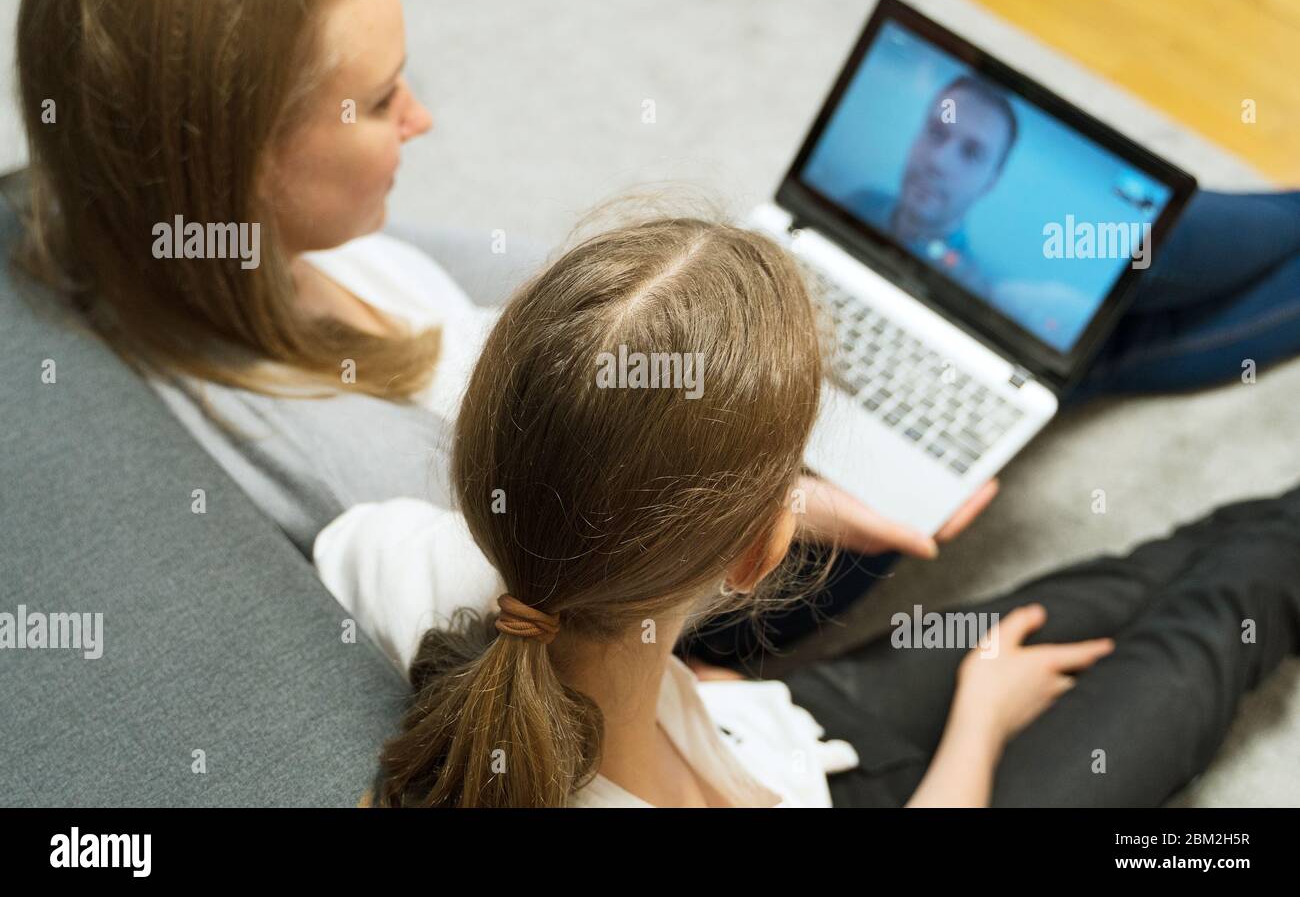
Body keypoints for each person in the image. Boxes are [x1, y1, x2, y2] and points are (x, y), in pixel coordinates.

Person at [14, 0, 1300, 661]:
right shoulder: (322, 457)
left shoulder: (216, 245)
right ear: (226, 157)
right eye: (375, 100)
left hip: (644, 438)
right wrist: (777, 504)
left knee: (1051, 301)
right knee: (1054, 326)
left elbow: (507, 277)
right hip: (697, 574)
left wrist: (713, 281)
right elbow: (569, 610)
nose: (425, 117)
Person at [314, 216, 1300, 807]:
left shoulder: (448, 557)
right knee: (1218, 622)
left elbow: (345, 547)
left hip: (782, 736)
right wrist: (979, 724)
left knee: (1112, 592)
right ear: (754, 555)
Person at [844, 75, 1017, 297]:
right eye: (936, 133)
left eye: (971, 153)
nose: (938, 162)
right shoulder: (858, 203)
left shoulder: (970, 291)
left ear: (990, 183)